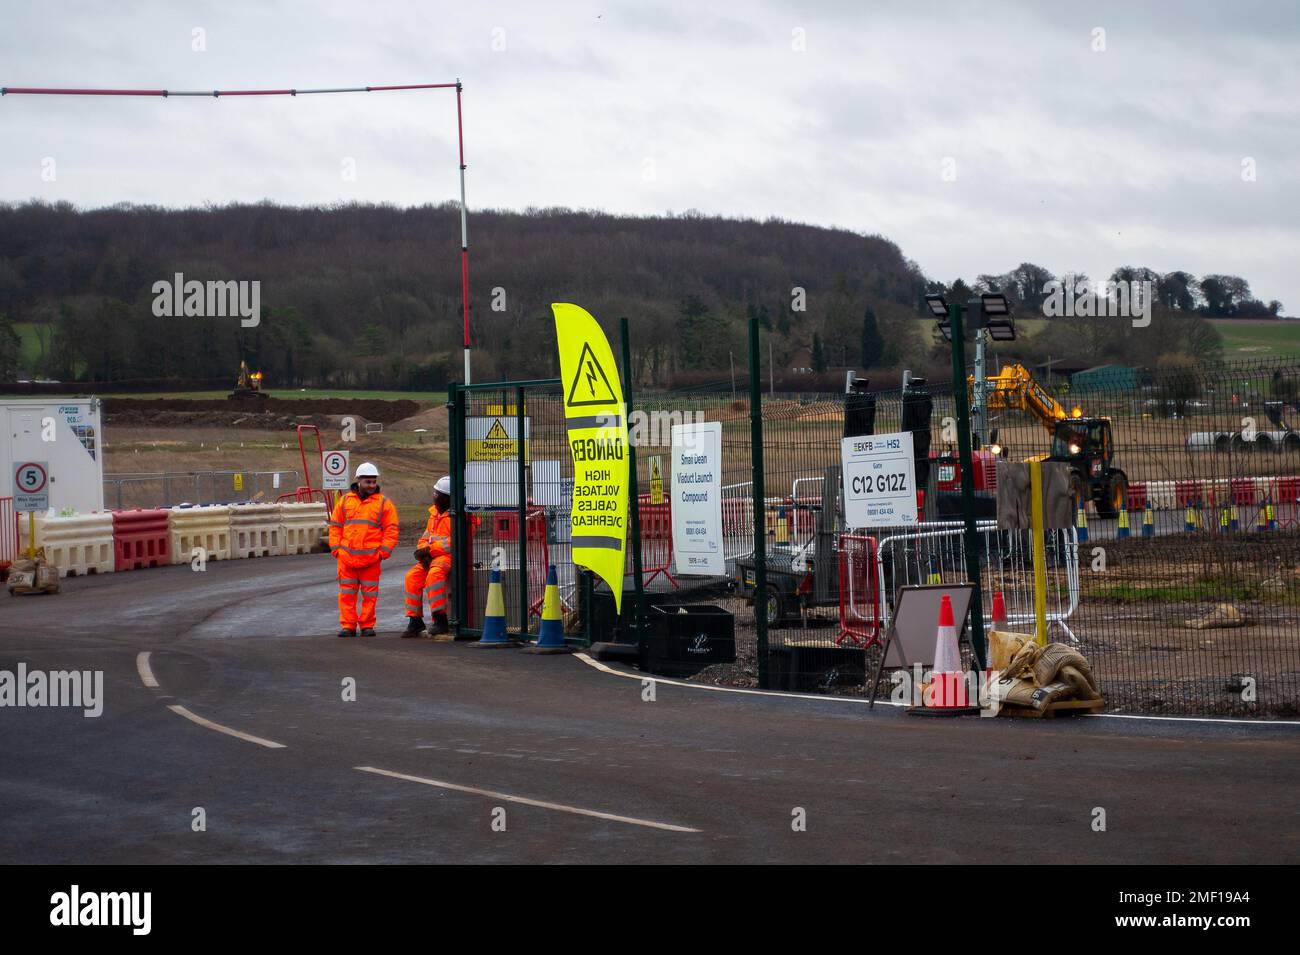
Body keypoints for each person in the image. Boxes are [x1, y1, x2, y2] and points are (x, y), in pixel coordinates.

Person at [329, 462, 399, 638]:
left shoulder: (383, 503)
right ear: (358, 481)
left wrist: (383, 552)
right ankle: (348, 626)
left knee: (370, 596)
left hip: (371, 559)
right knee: (347, 595)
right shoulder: (344, 501)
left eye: (373, 482)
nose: (371, 485)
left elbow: (391, 529)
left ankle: (367, 625)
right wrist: (336, 549)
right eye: (368, 482)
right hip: (346, 559)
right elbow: (335, 526)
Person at [403, 475, 476, 639]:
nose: (434, 496)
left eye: (438, 494)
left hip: (450, 557)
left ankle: (440, 619)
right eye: (435, 493)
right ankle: (415, 620)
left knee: (434, 576)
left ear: (448, 498)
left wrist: (430, 551)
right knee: (411, 577)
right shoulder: (434, 514)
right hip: (432, 557)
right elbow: (425, 538)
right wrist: (423, 551)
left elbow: (457, 541)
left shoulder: (461, 516)